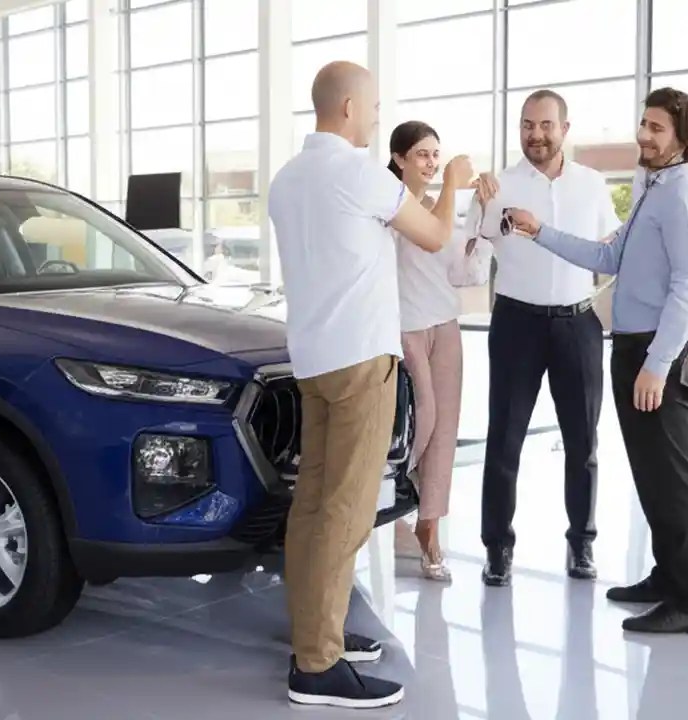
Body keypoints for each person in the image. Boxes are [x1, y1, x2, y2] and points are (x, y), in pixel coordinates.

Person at [267, 60, 473, 709]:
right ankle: (317, 664)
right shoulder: (359, 173)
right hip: (360, 362)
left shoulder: (286, 179)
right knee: (348, 509)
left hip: (313, 361)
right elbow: (436, 235)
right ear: (350, 107)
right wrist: (454, 182)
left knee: (312, 504)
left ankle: (314, 632)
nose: (378, 118)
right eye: (375, 107)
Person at [505, 87, 688, 634]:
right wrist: (538, 229)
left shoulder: (682, 198)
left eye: (657, 128)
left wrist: (657, 364)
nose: (643, 135)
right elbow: (607, 256)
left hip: (655, 352)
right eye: (643, 124)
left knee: (673, 478)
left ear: (683, 138)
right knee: (651, 475)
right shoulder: (651, 189)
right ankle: (669, 577)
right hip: (631, 347)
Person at [468, 89, 621, 587]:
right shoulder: (498, 186)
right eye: (527, 125)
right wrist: (477, 208)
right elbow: (472, 252)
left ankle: (582, 543)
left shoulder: (591, 184)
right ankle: (497, 548)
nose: (536, 135)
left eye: (545, 125)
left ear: (564, 129)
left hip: (578, 324)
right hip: (517, 324)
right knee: (504, 440)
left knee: (583, 442)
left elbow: (610, 246)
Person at [387, 120, 493, 581]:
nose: (431, 163)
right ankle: (394, 496)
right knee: (423, 421)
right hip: (406, 328)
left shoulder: (441, 207)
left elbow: (465, 273)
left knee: (445, 431)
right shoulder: (390, 206)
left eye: (436, 154)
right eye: (422, 154)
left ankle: (429, 527)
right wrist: (452, 186)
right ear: (399, 159)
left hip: (445, 325)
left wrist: (483, 222)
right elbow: (424, 236)